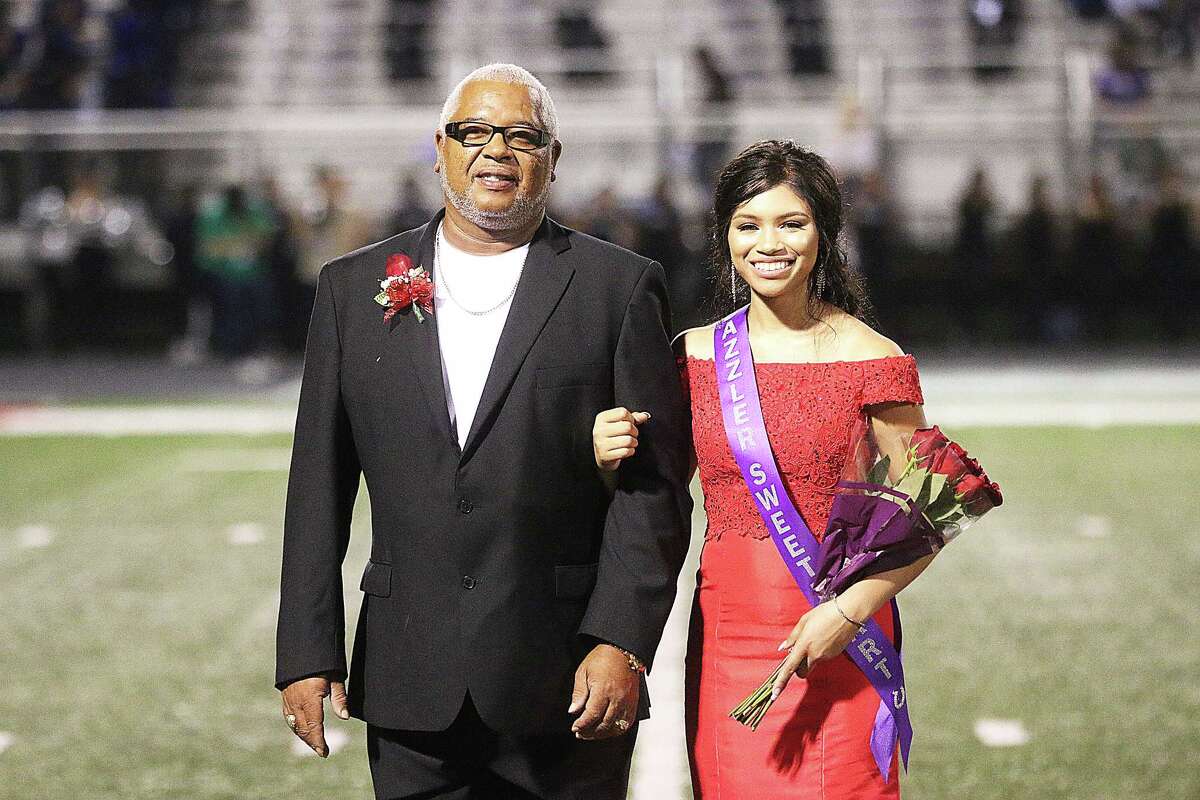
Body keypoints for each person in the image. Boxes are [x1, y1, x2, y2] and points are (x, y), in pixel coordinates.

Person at [275, 63, 693, 800]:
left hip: (566, 678)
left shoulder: (617, 286)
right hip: (410, 678)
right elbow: (318, 486)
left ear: (553, 159)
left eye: (523, 135)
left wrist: (620, 640)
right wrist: (307, 651)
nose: (496, 150)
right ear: (439, 147)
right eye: (474, 132)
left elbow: (654, 489)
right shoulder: (350, 288)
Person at [593, 140, 934, 797]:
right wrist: (606, 453)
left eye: (791, 223)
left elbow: (937, 502)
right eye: (748, 225)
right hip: (727, 641)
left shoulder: (874, 357)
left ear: (825, 235)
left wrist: (852, 607)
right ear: (724, 236)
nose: (768, 243)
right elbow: (650, 498)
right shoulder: (694, 355)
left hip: (842, 640)